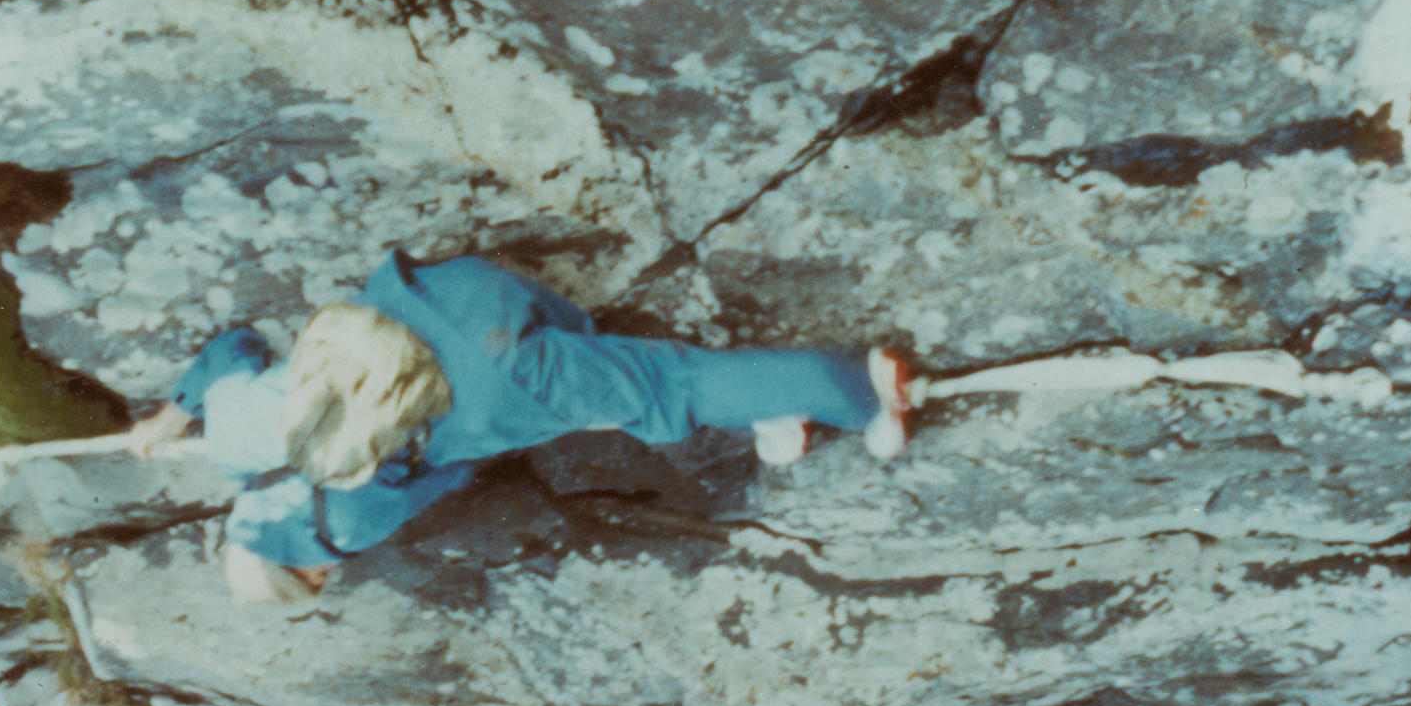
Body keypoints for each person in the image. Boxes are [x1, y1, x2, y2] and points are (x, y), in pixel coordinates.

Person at [128, 251, 916, 600]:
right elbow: (234, 347)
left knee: (663, 391)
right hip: (441, 290)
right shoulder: (235, 448)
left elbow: (454, 470)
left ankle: (860, 389)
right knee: (607, 369)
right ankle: (770, 403)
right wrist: (172, 412)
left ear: (297, 568)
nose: (326, 577)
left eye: (311, 583)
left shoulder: (339, 527)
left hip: (494, 372)